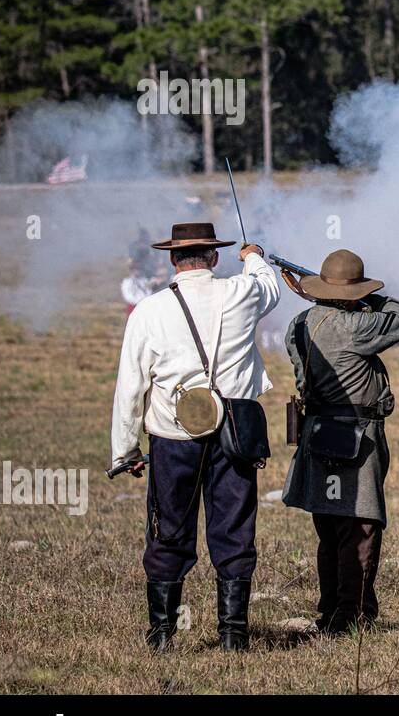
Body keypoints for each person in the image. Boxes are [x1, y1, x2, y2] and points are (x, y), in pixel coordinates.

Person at [110, 222, 280, 652]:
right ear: (214, 257)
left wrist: (125, 449)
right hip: (234, 434)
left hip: (171, 434)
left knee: (169, 530)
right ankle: (232, 636)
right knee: (234, 528)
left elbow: (130, 386)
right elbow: (269, 285)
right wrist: (254, 254)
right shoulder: (242, 292)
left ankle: (163, 635)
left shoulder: (149, 310)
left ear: (172, 259)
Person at [281, 249, 399, 634]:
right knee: (359, 527)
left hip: (318, 432)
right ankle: (348, 615)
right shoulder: (355, 326)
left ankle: (335, 607)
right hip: (355, 436)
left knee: (329, 528)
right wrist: (369, 298)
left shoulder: (299, 323)